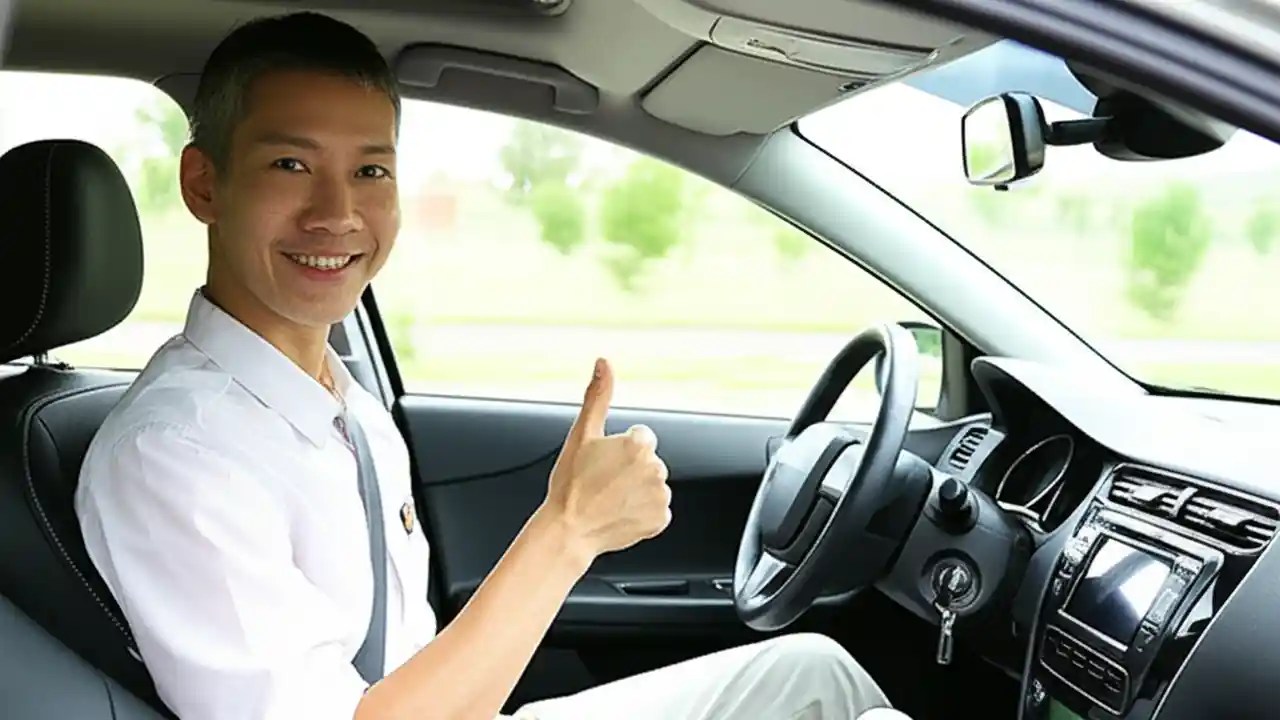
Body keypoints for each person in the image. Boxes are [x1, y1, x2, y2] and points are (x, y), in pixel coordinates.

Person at [74, 11, 895, 720]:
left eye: (370, 171)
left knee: (814, 672)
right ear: (205, 184)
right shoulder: (174, 453)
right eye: (290, 165)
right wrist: (565, 531)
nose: (337, 213)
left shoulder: (337, 399)